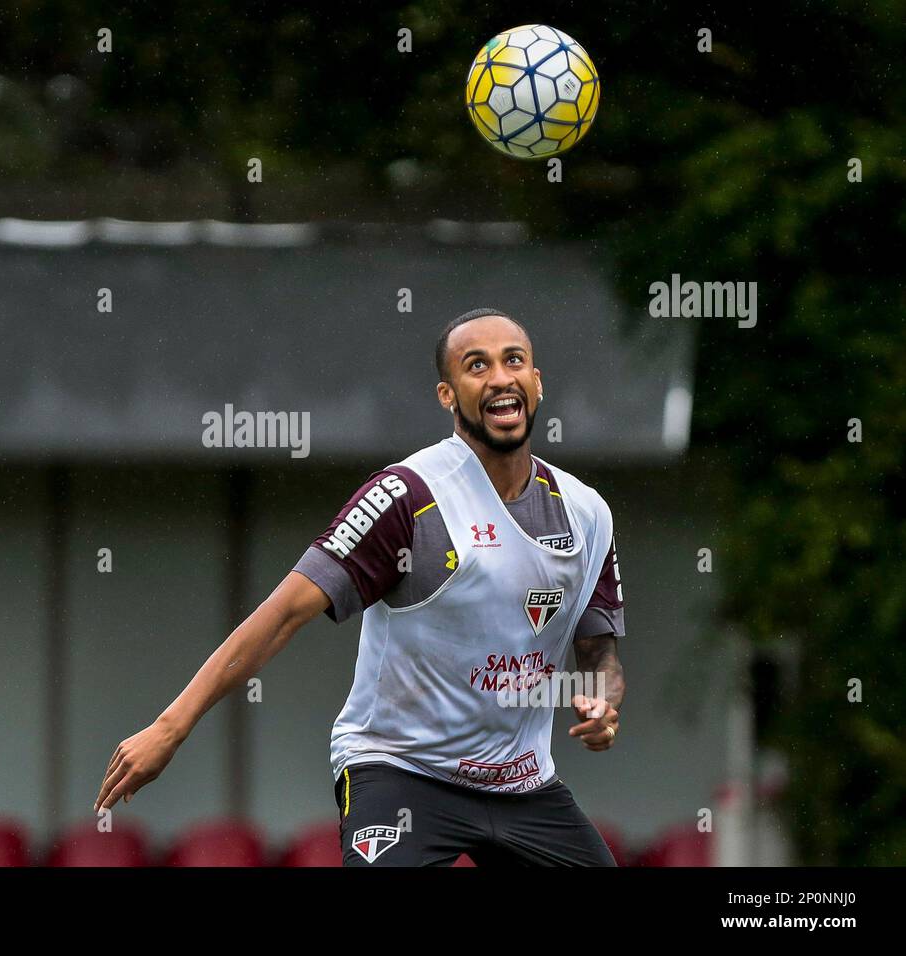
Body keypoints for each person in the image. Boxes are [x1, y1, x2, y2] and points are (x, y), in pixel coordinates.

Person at [96, 309, 626, 866]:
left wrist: (602, 700)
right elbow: (283, 614)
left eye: (513, 361)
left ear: (536, 382)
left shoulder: (586, 513)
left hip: (524, 786)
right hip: (403, 772)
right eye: (477, 366)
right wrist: (170, 727)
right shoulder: (407, 497)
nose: (499, 377)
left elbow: (599, 651)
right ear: (447, 395)